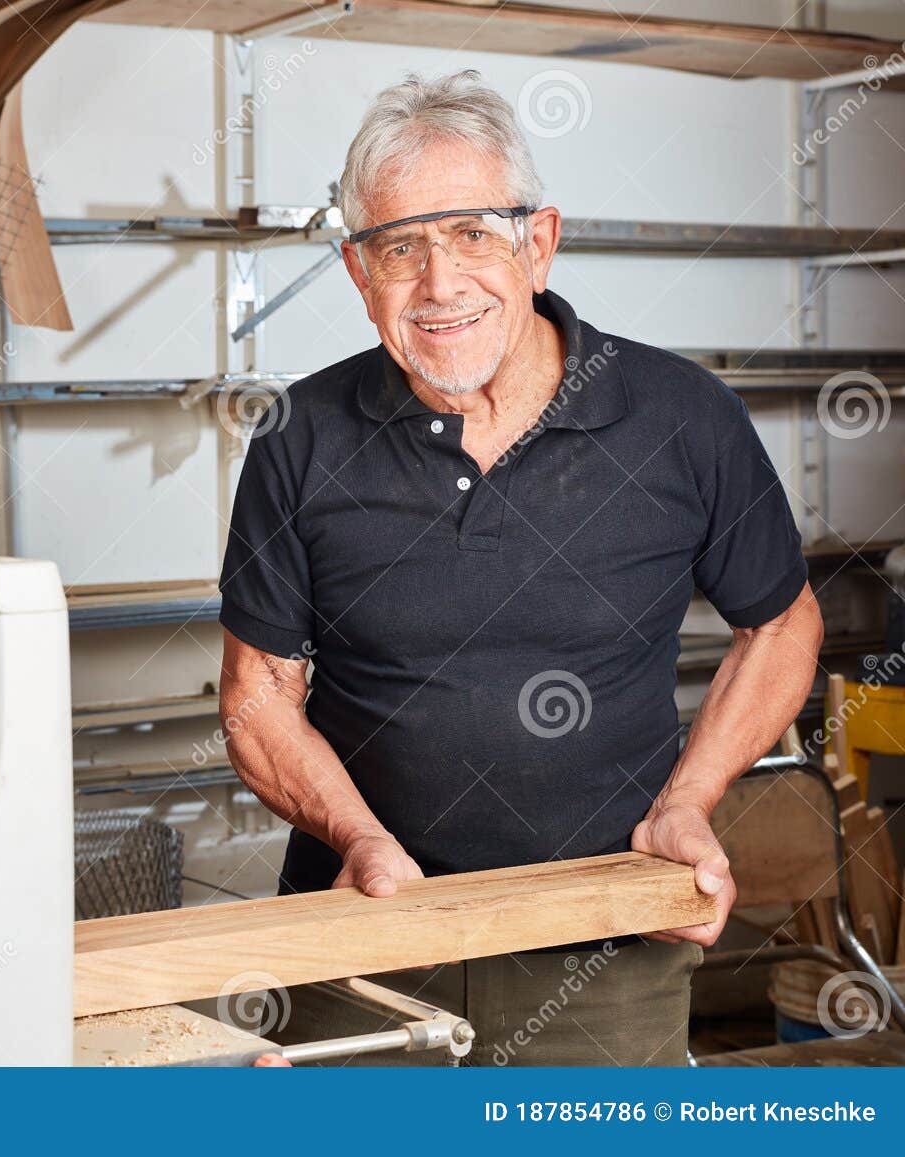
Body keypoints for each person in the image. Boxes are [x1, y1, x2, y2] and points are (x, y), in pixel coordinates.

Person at [217, 70, 822, 1066]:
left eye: (470, 233)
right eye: (398, 246)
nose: (438, 282)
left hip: (601, 945)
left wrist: (687, 801)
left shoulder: (682, 417)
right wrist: (359, 838)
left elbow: (781, 623)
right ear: (356, 272)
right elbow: (257, 694)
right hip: (366, 935)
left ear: (538, 242)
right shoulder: (300, 435)